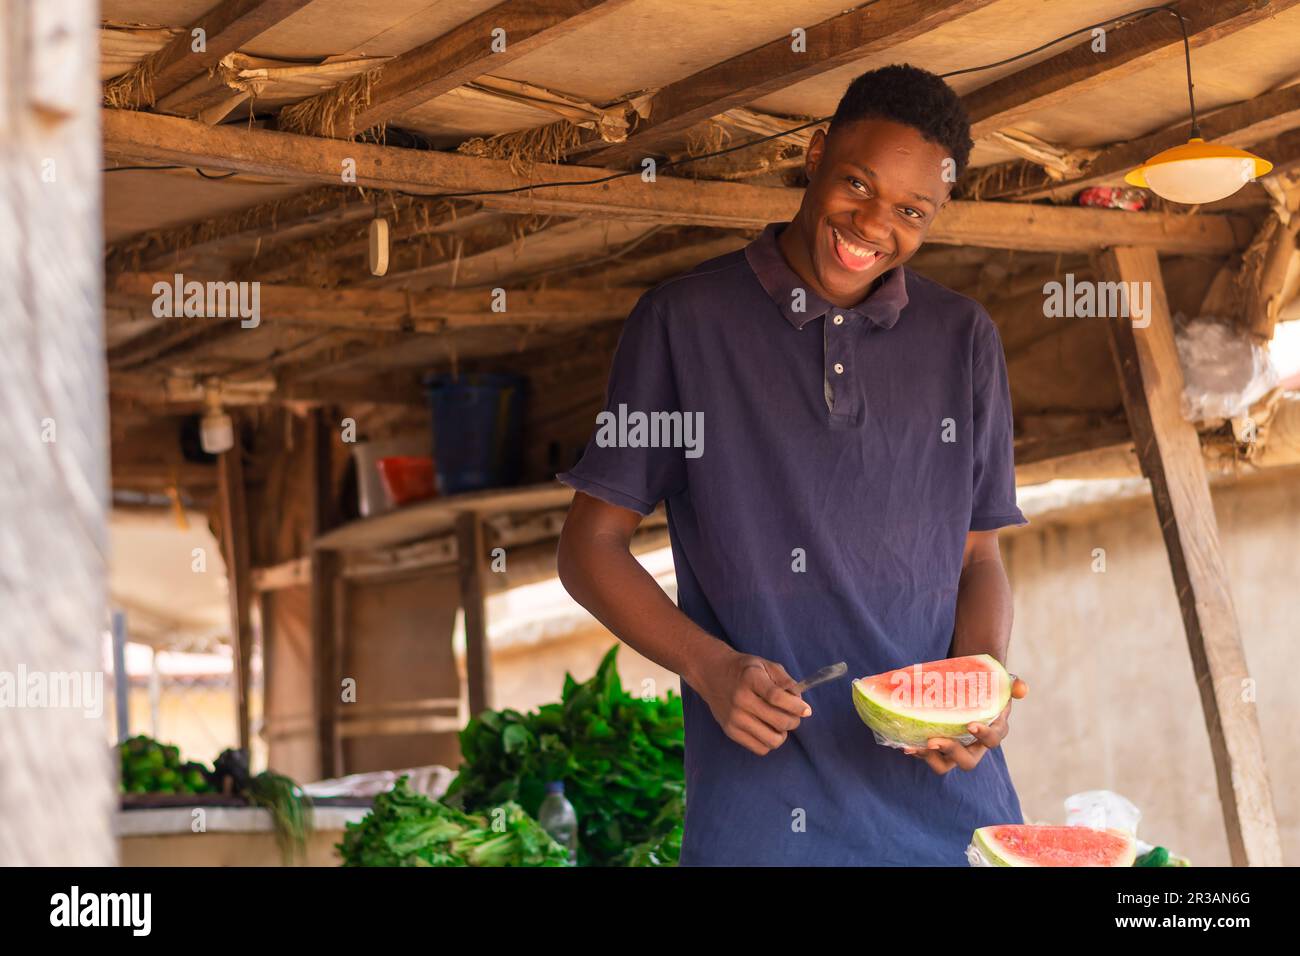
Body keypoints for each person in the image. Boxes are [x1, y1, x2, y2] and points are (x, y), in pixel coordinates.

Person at [556, 64, 1029, 866]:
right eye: (857, 184)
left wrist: (980, 687)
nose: (874, 225)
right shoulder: (684, 321)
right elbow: (587, 549)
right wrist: (710, 667)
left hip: (951, 812)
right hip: (764, 821)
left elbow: (979, 554)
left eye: (911, 211)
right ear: (815, 156)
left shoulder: (965, 339)